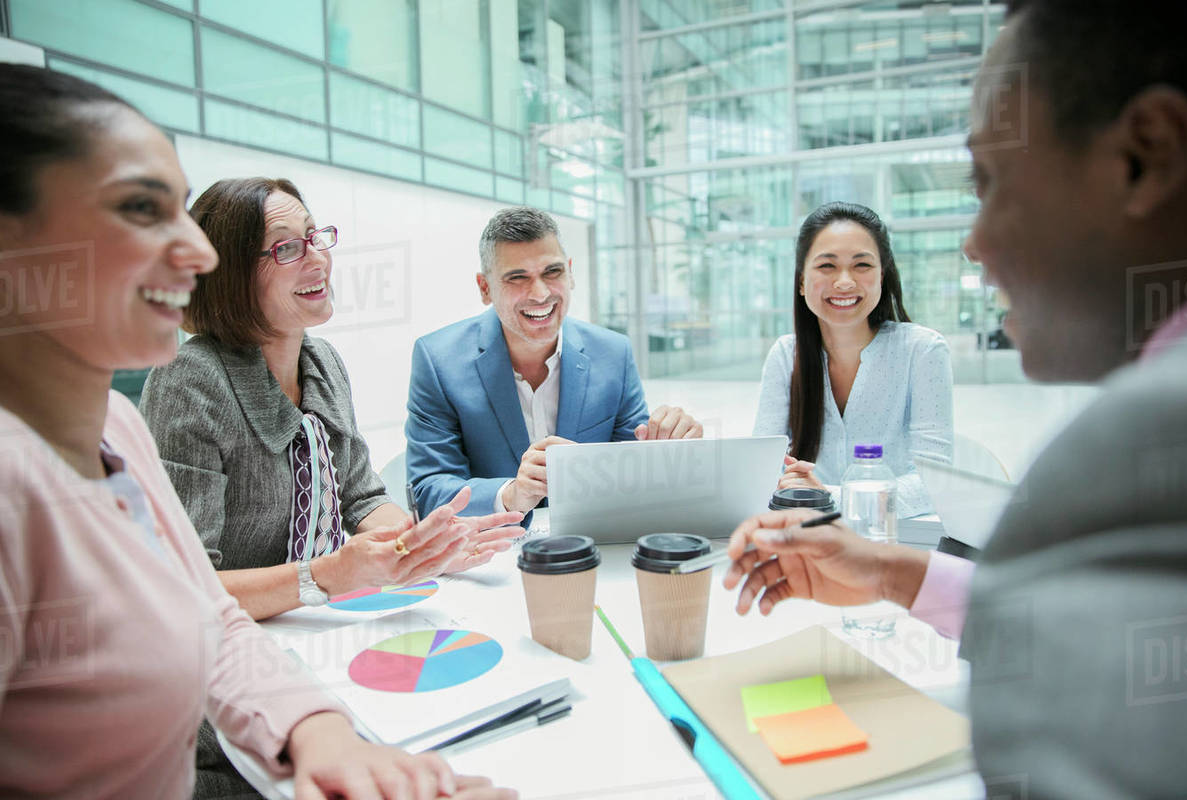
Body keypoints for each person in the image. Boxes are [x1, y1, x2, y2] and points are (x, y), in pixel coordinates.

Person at [724, 1, 1187, 796]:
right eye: (825, 268)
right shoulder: (787, 355)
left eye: (991, 180)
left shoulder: (1153, 433)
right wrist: (889, 570)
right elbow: (1110, 632)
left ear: (1145, 156)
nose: (974, 244)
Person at [0, 64, 512, 800]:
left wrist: (325, 737)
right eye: (142, 209)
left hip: (309, 679)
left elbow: (207, 616)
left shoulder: (115, 425)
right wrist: (330, 578)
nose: (197, 254)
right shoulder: (170, 392)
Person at [138, 177, 524, 797]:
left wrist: (424, 541)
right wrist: (327, 576)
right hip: (227, 707)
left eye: (316, 237)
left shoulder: (322, 363)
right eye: (287, 248)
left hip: (313, 652)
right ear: (232, 274)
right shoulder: (191, 382)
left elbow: (363, 496)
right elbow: (190, 592)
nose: (318, 256)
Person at [405, 207, 703, 520]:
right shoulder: (438, 360)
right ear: (485, 288)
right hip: (492, 553)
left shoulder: (614, 354)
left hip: (590, 544)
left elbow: (633, 472)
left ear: (570, 273)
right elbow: (428, 490)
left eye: (553, 272)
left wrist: (670, 449)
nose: (541, 293)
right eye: (517, 278)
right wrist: (510, 494)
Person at [752, 202, 953, 518]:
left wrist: (826, 497)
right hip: (807, 541)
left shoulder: (922, 350)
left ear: (882, 276)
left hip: (893, 544)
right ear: (802, 281)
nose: (844, 282)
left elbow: (936, 484)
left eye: (862, 265)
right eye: (826, 266)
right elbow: (761, 470)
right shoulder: (784, 356)